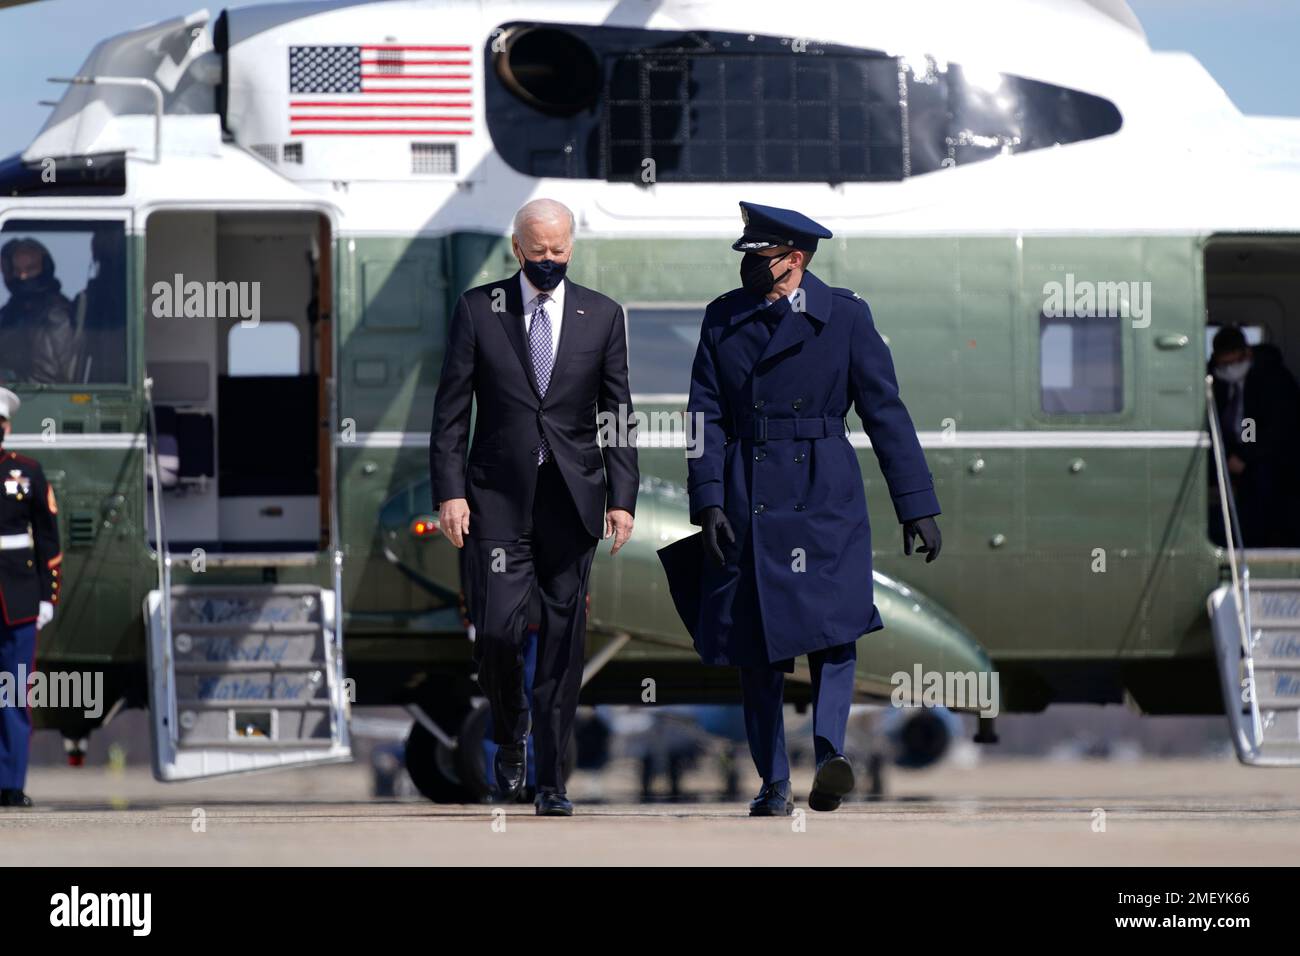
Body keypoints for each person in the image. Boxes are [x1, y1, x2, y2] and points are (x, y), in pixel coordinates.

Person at [658, 201, 942, 816]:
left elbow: (885, 412)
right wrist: (707, 499)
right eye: (748, 257)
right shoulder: (722, 319)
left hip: (823, 490)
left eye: (763, 258)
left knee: (838, 630)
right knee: (754, 649)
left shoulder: (845, 317)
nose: (752, 267)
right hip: (747, 493)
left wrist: (916, 504)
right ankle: (774, 783)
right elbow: (702, 417)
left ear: (797, 258)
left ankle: (829, 752)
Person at [429, 198, 639, 816]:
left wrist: (621, 498)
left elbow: (617, 414)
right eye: (537, 251)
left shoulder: (602, 315)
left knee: (562, 648)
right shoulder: (478, 309)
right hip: (496, 501)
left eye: (559, 251)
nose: (548, 261)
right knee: (495, 631)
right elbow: (449, 411)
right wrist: (450, 489)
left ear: (570, 247)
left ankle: (551, 782)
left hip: (570, 506)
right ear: (516, 249)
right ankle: (510, 720)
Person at [0, 387, 62, 807]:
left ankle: (9, 784)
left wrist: (46, 597)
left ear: (7, 426)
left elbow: (48, 541)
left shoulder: (28, 472)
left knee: (11, 694)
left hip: (17, 601)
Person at [1209, 325, 1300, 547]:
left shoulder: (1273, 380)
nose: (1230, 369)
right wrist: (1232, 455)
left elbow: (1278, 429)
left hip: (1272, 459)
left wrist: (1246, 456)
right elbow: (1235, 426)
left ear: (1248, 354)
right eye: (1224, 365)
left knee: (1263, 483)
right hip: (1238, 453)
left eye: (1235, 362)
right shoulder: (1217, 384)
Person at [0, 239, 80, 384]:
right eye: (17, 271)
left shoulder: (56, 313)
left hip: (40, 400)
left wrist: (13, 381)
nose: (23, 276)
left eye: (30, 269)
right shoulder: (8, 314)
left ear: (45, 269)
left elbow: (63, 375)